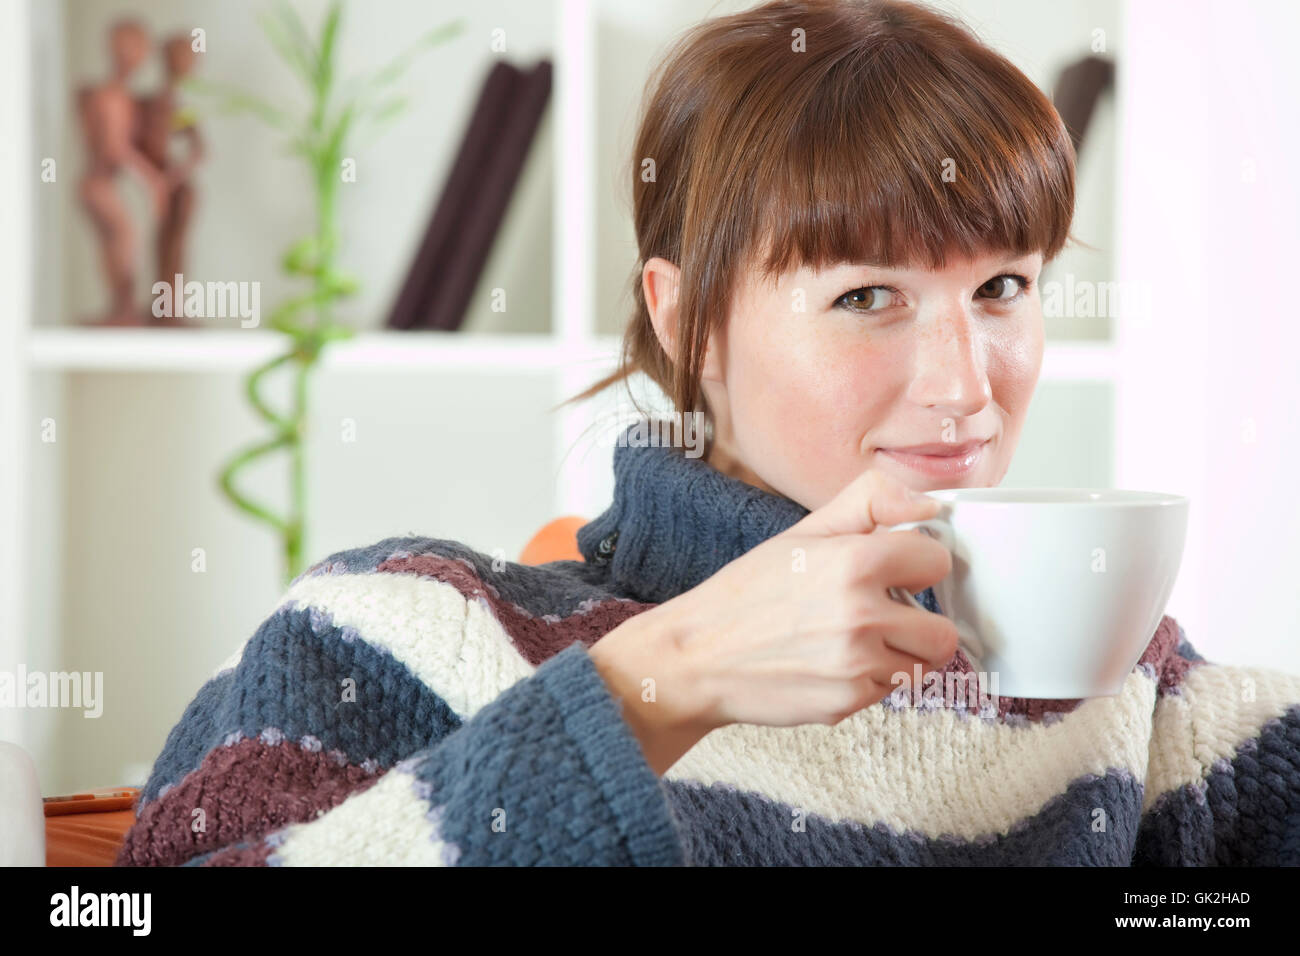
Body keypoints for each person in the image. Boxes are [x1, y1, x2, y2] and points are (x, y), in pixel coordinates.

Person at [116, 0, 1300, 866]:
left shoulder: (1127, 680)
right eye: (865, 296)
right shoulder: (408, 630)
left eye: (1001, 288)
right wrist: (658, 685)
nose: (964, 386)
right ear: (687, 319)